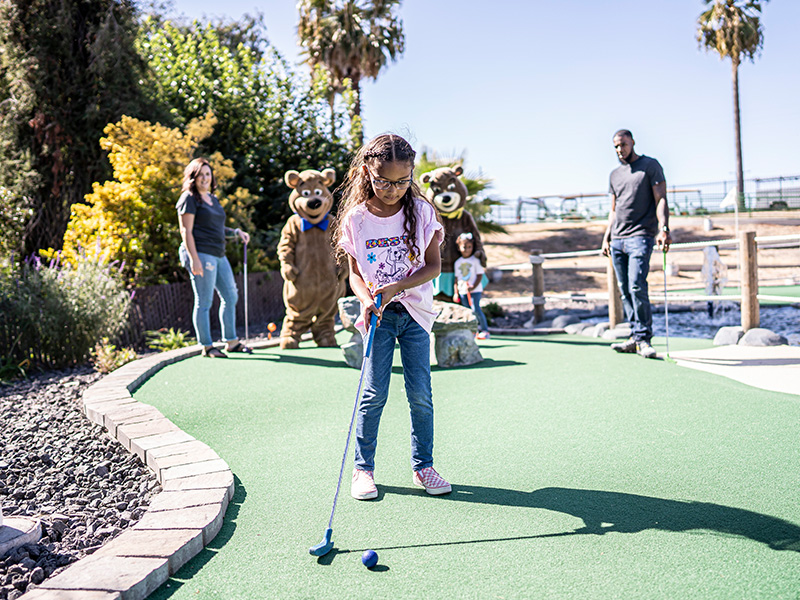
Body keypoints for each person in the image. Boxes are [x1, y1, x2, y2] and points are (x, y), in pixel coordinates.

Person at [334, 133, 451, 500]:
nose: (393, 190)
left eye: (402, 182)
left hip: (415, 313)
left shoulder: (421, 212)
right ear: (366, 172)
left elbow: (433, 267)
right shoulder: (356, 219)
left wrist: (396, 287)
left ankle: (423, 466)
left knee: (420, 394)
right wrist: (366, 298)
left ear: (411, 175)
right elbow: (355, 274)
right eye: (383, 182)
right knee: (373, 394)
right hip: (378, 317)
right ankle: (363, 470)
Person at [601, 129, 671, 359]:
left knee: (636, 286)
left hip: (641, 236)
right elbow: (614, 209)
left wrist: (664, 228)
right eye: (615, 146)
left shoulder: (650, 166)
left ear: (632, 142)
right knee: (624, 291)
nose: (619, 149)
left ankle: (643, 338)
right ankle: (634, 337)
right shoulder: (614, 175)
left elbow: (661, 199)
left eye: (623, 144)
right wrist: (607, 236)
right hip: (618, 239)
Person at [177, 157, 252, 358]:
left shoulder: (213, 199)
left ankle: (231, 342)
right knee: (204, 301)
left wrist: (236, 232)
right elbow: (186, 231)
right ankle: (207, 346)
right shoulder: (189, 199)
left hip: (219, 254)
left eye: (207, 174)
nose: (204, 178)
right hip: (201, 253)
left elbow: (216, 228)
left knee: (230, 296)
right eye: (200, 175)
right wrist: (194, 259)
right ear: (193, 177)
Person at [453, 232, 490, 339]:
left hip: (475, 290)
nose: (467, 249)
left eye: (470, 247)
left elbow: (479, 275)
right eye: (464, 247)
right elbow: (456, 279)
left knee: (475, 309)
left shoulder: (475, 261)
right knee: (467, 311)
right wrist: (456, 293)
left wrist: (473, 286)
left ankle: (485, 330)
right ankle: (472, 331)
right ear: (459, 248)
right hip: (463, 290)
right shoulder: (457, 262)